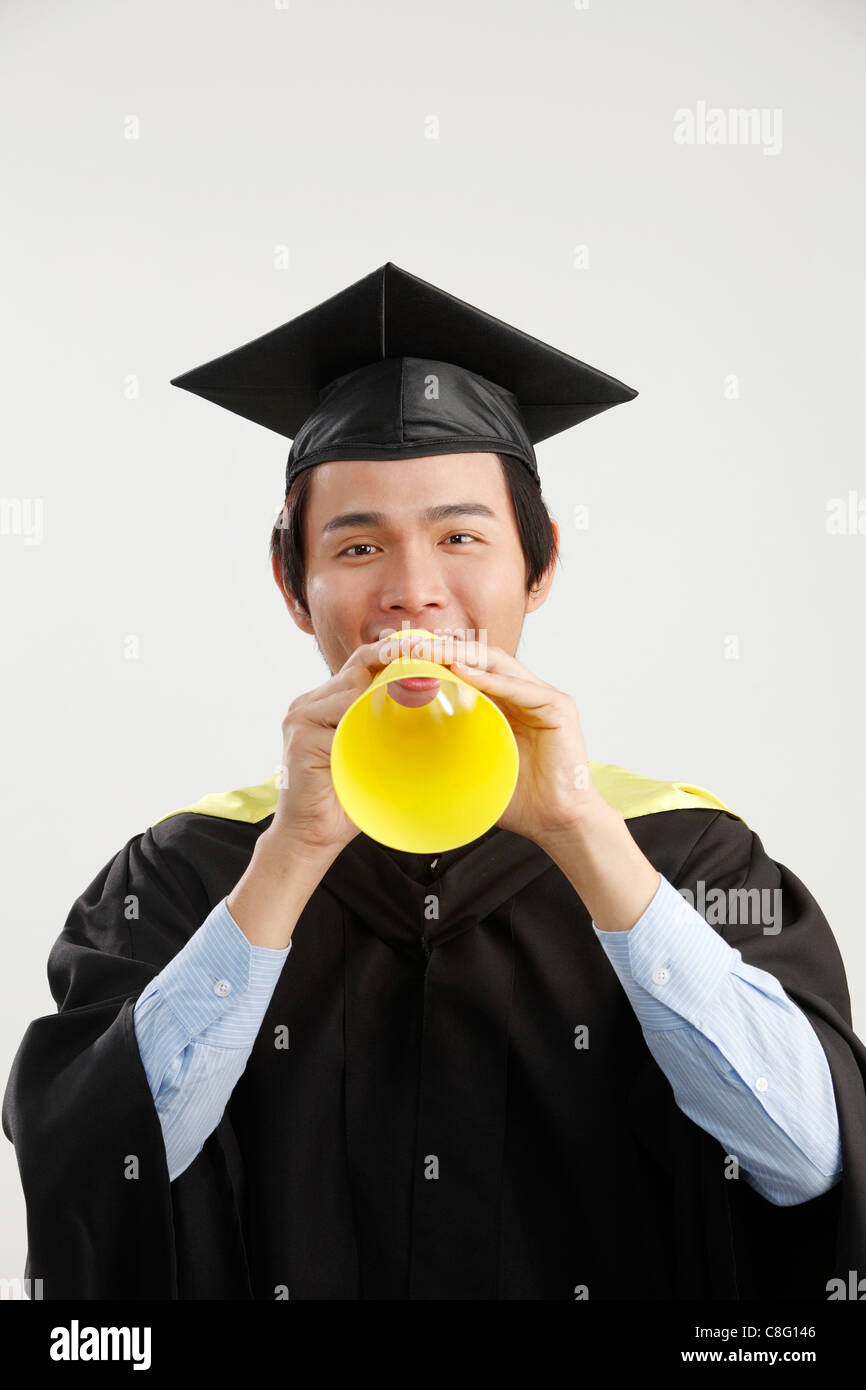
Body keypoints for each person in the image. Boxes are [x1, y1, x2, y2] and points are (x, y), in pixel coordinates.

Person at [4, 263, 866, 1301]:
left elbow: (807, 1159)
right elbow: (103, 1175)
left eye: (461, 537)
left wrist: (584, 834)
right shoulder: (187, 870)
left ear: (538, 570)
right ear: (292, 584)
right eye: (357, 544)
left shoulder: (687, 856)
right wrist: (287, 859)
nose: (412, 590)